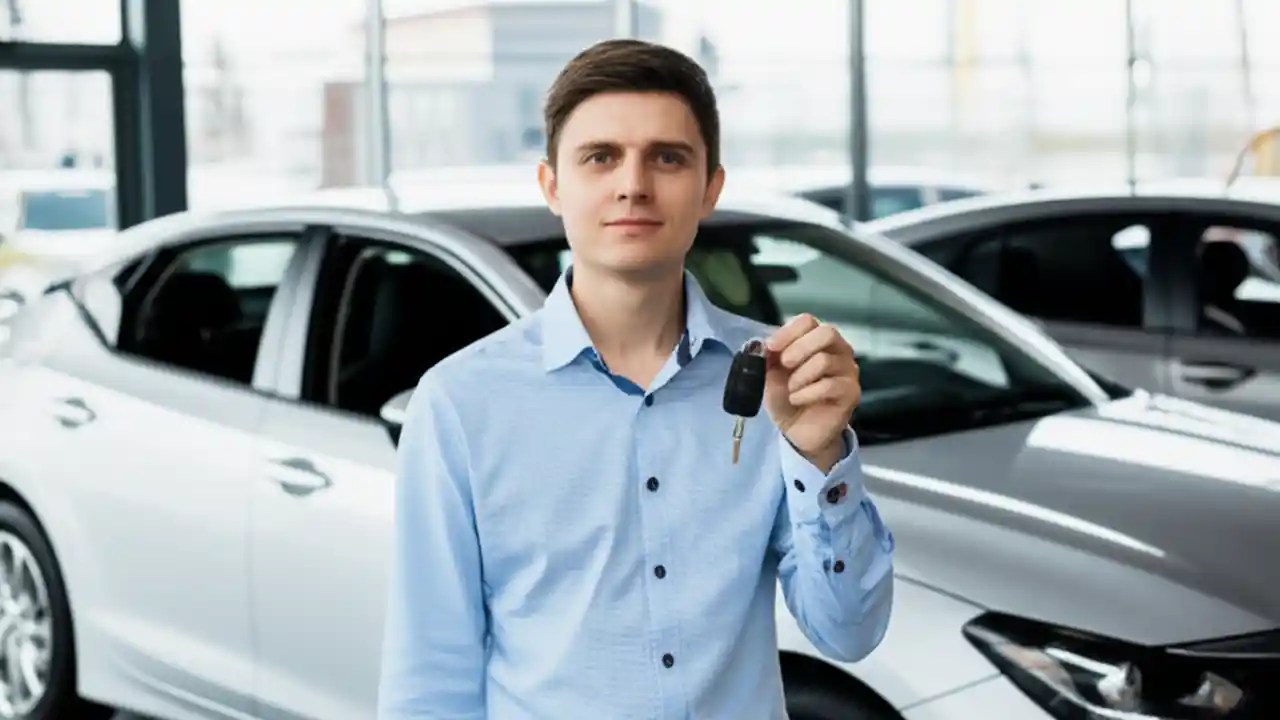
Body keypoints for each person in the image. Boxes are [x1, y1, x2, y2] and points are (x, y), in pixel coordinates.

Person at [376, 39, 894, 720]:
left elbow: (850, 633)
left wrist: (820, 457)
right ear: (552, 185)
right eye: (601, 157)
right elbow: (429, 679)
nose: (634, 185)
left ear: (711, 186)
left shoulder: (780, 383)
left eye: (668, 157)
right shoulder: (460, 403)